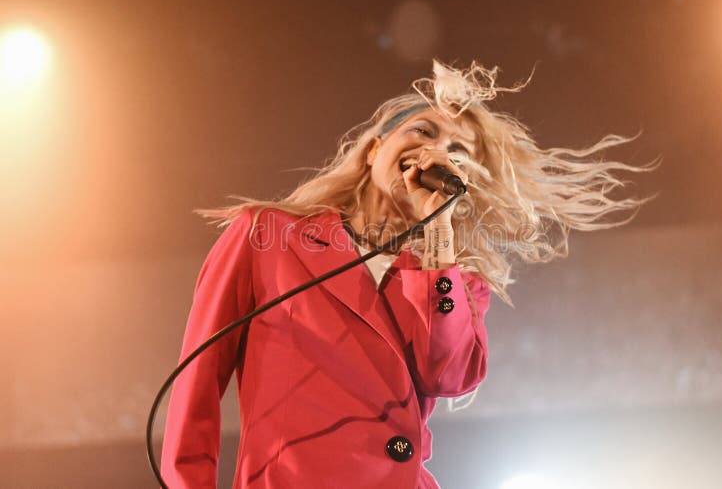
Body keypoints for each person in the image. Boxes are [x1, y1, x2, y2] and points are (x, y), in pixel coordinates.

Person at [160, 61, 653, 488]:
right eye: (423, 130)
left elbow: (449, 374)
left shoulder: (456, 281)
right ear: (374, 149)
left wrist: (438, 234)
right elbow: (195, 385)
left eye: (460, 151)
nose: (438, 151)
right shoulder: (268, 236)